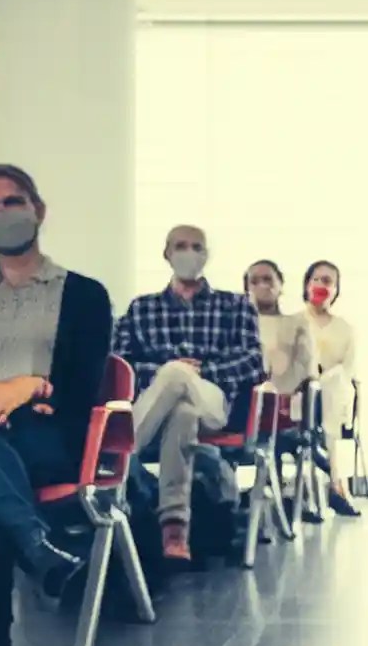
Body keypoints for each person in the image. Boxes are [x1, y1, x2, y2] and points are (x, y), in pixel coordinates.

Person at [0, 164, 112, 646]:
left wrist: (28, 387)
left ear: (38, 210)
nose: (2, 213)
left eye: (13, 201)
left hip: (46, 436)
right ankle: (35, 546)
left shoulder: (85, 294)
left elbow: (85, 385)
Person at [112, 225, 263, 562]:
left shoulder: (235, 305)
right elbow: (122, 363)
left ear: (207, 256)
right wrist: (168, 373)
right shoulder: (142, 308)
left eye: (197, 247)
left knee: (179, 377)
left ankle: (116, 455)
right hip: (165, 408)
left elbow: (254, 362)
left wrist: (200, 372)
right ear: (166, 253)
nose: (188, 252)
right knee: (182, 412)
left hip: (214, 402)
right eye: (181, 246)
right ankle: (174, 530)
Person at [302, 260, 360, 517]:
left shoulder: (345, 329)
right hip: (300, 395)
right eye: (317, 279)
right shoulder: (294, 323)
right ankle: (338, 486)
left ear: (336, 290)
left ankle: (334, 477)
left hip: (333, 397)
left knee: (334, 384)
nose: (322, 285)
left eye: (329, 281)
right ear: (306, 284)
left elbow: (348, 369)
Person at [244, 260, 315, 396]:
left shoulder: (297, 324)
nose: (262, 286)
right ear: (247, 290)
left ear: (280, 284)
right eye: (254, 281)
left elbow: (306, 369)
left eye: (268, 279)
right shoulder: (239, 326)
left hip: (287, 404)